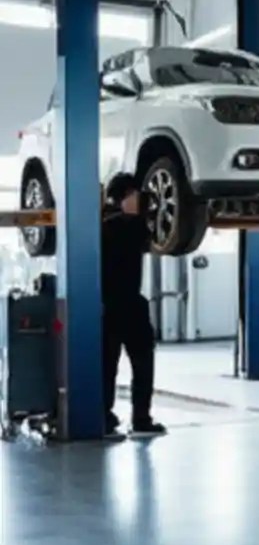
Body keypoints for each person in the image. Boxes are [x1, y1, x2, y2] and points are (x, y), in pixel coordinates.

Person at [101, 172, 166, 437]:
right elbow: (152, 236)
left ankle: (104, 418)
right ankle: (141, 419)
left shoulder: (100, 224)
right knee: (142, 364)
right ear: (127, 197)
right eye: (138, 196)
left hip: (107, 306)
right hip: (128, 305)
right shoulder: (130, 224)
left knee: (107, 367)